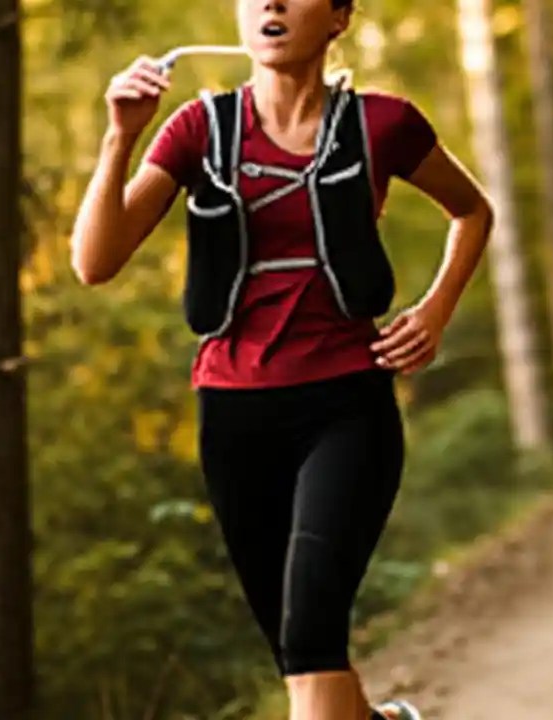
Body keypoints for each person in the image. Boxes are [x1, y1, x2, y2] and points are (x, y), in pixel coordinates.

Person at [69, 1, 493, 717]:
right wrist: (119, 139)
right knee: (304, 658)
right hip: (233, 419)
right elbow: (95, 261)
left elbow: (472, 211)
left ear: (338, 18)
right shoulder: (197, 131)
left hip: (347, 409)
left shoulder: (383, 124)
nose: (269, 2)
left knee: (309, 642)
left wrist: (436, 309)